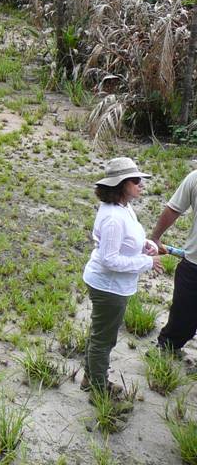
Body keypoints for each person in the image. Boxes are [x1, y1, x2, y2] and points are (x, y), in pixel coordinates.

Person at [82, 157, 162, 397]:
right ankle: (97, 386)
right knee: (104, 339)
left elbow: (128, 240)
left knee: (101, 333)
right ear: (120, 184)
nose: (141, 184)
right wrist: (146, 262)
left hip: (113, 285)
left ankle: (91, 377)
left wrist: (145, 245)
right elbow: (109, 259)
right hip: (108, 287)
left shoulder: (123, 208)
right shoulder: (113, 218)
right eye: (135, 180)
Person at [151, 168, 197, 356]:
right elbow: (174, 208)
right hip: (194, 264)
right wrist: (155, 238)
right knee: (182, 317)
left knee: (183, 314)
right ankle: (167, 348)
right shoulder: (195, 178)